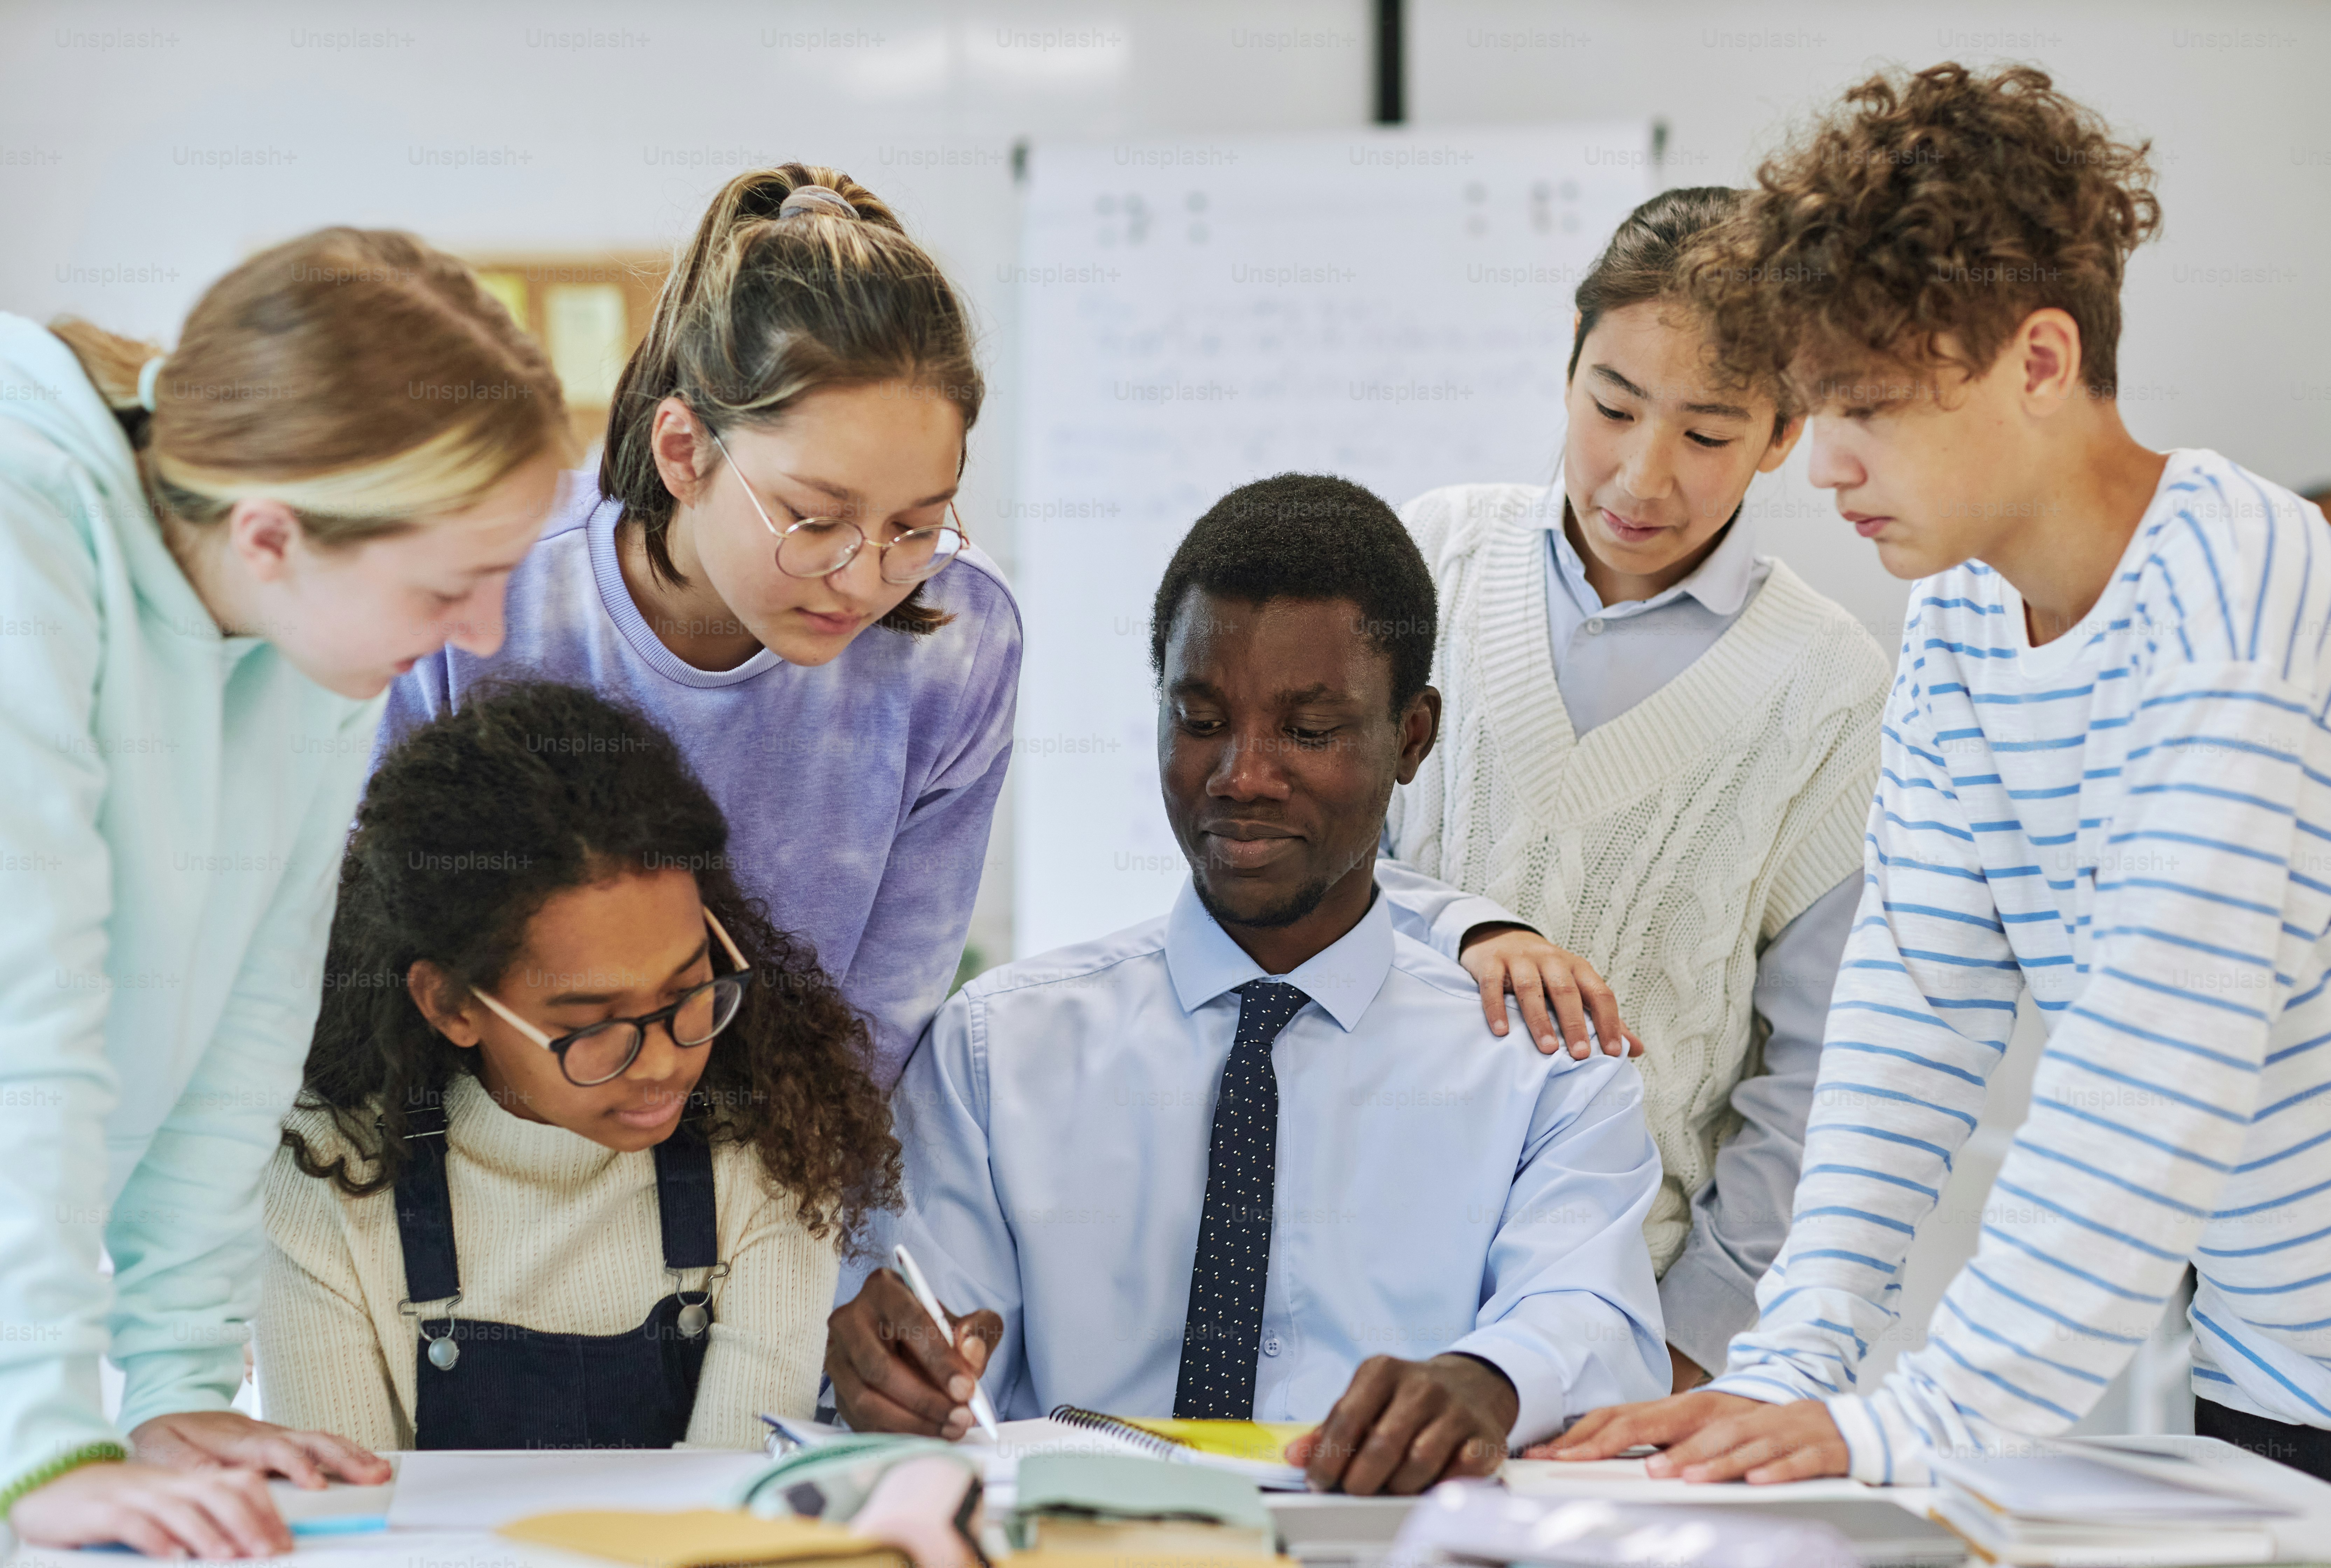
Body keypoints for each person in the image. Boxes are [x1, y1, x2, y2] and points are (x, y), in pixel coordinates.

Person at [1544, 62, 2331, 1490]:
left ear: (2040, 363)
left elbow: (2148, 1071)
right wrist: (1792, 1365)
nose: (1831, 464)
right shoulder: (1966, 617)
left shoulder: (2237, 589)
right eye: (1816, 407)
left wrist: (1914, 1417)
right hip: (2268, 1369)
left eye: (1868, 408)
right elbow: (1911, 1019)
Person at [826, 474, 1668, 1495]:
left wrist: (1487, 1379)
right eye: (1200, 719)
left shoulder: (1542, 1068)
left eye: (1309, 733)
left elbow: (1595, 1323)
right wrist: (900, 1379)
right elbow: (933, 1348)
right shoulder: (998, 1052)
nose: (1243, 775)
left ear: (1412, 737)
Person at [1, 230, 570, 1554]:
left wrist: (178, 1390)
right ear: (270, 534)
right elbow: (24, 1011)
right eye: (451, 584)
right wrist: (38, 1439)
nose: (482, 632)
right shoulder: (25, 537)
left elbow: (249, 1027)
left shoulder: (314, 644)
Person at [1385, 188, 1889, 1393]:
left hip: (1618, 1332)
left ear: (1785, 432)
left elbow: (1819, 1078)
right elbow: (1291, 872)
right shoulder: (1432, 559)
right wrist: (1466, 925)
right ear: (1570, 358)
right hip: (1359, 1276)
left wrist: (1684, 1348)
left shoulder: (1830, 687)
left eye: (1710, 435)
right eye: (1612, 407)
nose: (1643, 474)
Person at [378, 163, 1019, 1090]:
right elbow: (377, 946)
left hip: (790, 1173)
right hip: (491, 1169)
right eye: (816, 518)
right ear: (685, 452)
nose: (868, 574)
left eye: (915, 526)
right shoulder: (488, 592)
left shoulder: (960, 634)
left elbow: (881, 1030)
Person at [256, 681, 898, 1451]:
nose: (664, 1061)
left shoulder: (772, 1148)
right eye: (596, 1024)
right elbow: (346, 1529)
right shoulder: (329, 1175)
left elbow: (736, 1515)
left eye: (690, 990)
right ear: (452, 1004)